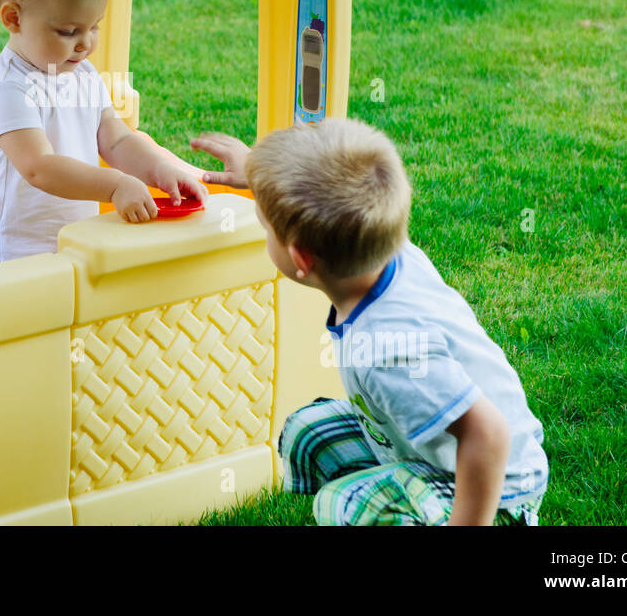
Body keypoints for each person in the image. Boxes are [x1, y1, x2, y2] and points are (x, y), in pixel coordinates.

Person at [190, 120, 549, 525]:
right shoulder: (381, 247)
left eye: (264, 225)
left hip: (497, 485)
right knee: (308, 434)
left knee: (340, 504)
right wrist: (259, 172)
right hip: (428, 449)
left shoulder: (388, 351)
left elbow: (488, 435)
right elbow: (333, 201)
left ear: (301, 259)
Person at [0, 0, 208, 266]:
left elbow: (116, 140)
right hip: (9, 252)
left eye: (94, 26)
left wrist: (158, 170)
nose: (85, 44)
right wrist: (114, 186)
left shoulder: (83, 73)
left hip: (71, 246)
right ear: (14, 18)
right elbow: (39, 167)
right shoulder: (9, 88)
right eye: (68, 31)